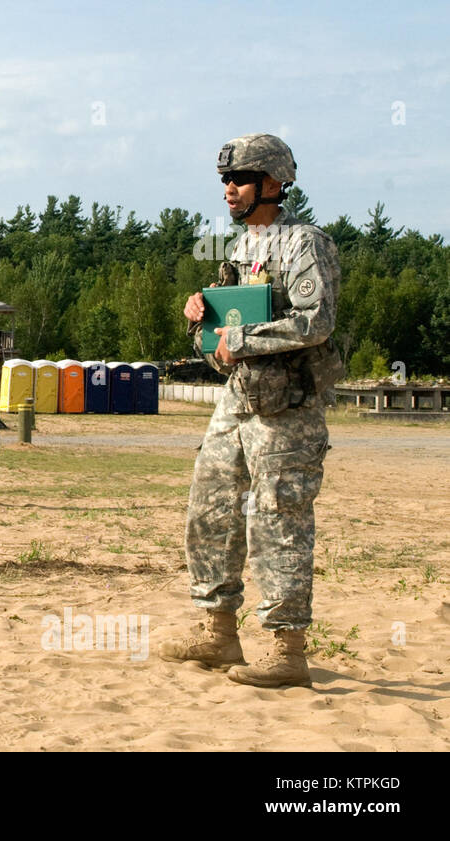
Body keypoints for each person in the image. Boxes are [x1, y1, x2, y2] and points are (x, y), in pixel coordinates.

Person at [161, 133, 345, 690]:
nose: (228, 190)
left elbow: (316, 322)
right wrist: (201, 319)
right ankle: (219, 633)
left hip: (288, 410)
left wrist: (239, 337)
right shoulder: (241, 251)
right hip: (238, 400)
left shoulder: (305, 243)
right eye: (223, 180)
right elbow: (222, 346)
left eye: (238, 179)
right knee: (210, 510)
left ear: (272, 183)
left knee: (278, 520)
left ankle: (287, 650)